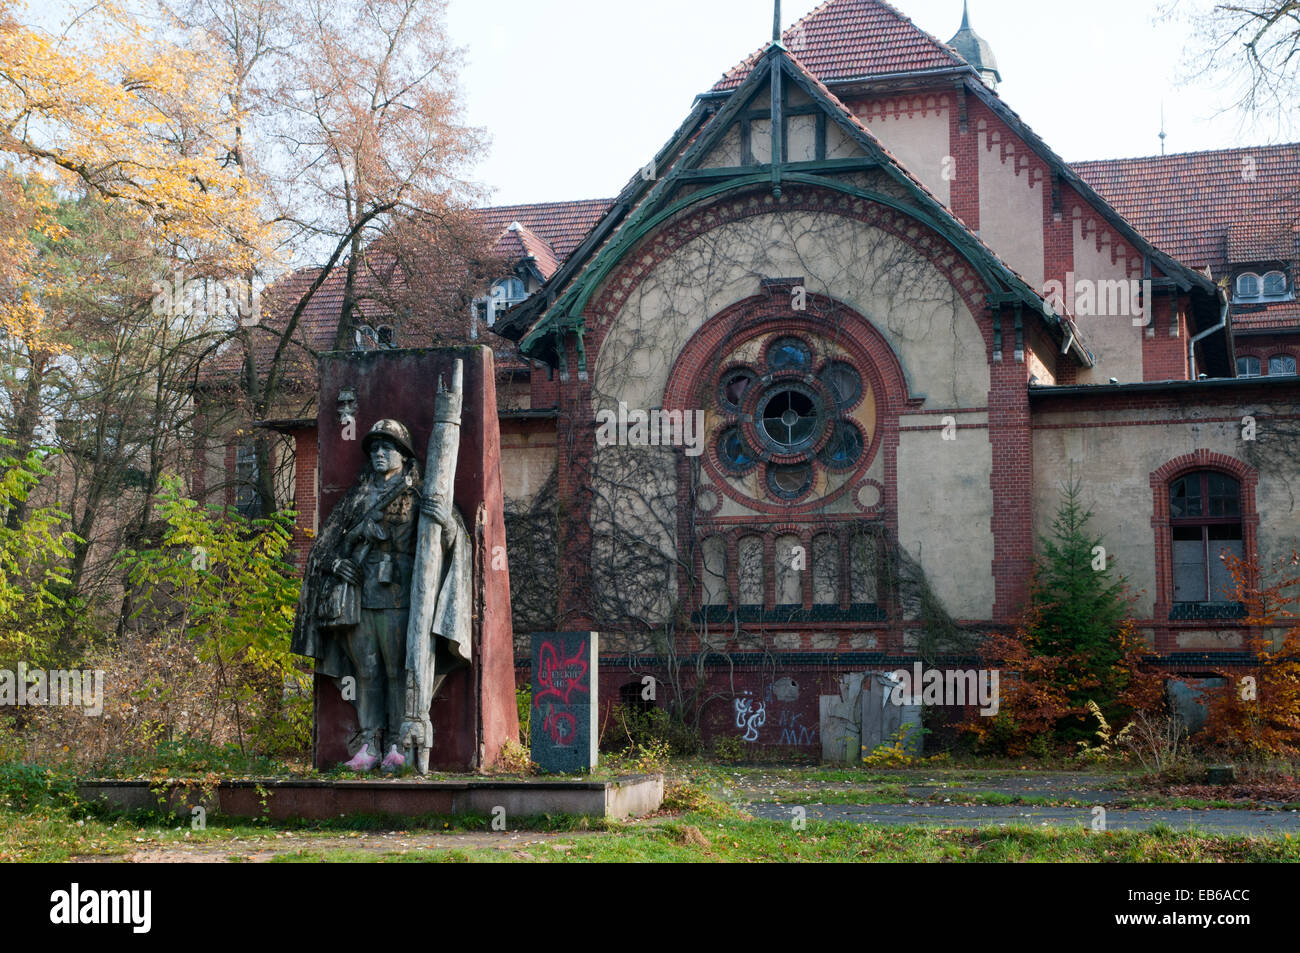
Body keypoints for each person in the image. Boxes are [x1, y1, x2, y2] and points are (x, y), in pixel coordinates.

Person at [292, 418, 470, 772]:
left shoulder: (421, 493)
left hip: (405, 601)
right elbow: (323, 549)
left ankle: (398, 745)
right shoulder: (356, 498)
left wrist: (447, 524)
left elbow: (457, 544)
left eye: (387, 447)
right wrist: (338, 562)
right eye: (374, 448)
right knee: (367, 675)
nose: (378, 453)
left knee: (398, 672)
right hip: (360, 600)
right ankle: (369, 744)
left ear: (404, 456)